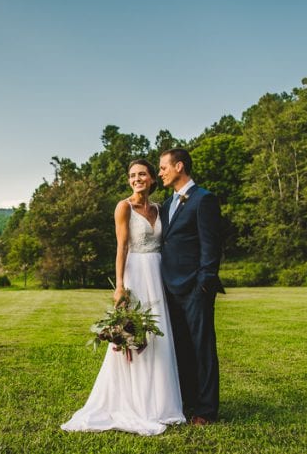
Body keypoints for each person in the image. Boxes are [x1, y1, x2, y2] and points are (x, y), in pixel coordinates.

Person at [61, 159, 186, 436]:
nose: (137, 179)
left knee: (159, 335)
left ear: (153, 179)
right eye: (132, 175)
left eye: (142, 174)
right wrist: (119, 285)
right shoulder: (123, 207)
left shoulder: (159, 208)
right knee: (134, 333)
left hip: (158, 274)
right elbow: (121, 247)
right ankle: (134, 403)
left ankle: (160, 404)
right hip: (135, 274)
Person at [158, 148, 225, 425]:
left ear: (179, 166)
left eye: (163, 167)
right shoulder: (165, 204)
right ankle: (188, 403)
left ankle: (206, 410)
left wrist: (204, 285)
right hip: (170, 290)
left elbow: (211, 247)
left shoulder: (203, 199)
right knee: (181, 349)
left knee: (202, 349)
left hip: (195, 290)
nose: (160, 173)